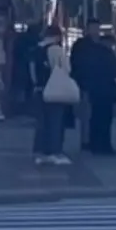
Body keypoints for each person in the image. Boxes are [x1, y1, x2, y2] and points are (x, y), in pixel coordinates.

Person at [70, 18, 116, 155]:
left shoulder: (101, 46)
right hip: (91, 85)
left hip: (104, 86)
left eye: (97, 28)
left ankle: (103, 143)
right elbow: (76, 65)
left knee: (104, 116)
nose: (95, 31)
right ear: (87, 29)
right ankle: (93, 143)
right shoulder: (82, 46)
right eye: (93, 28)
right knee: (92, 116)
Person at [31, 25, 76, 166]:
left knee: (42, 122)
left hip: (39, 89)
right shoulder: (56, 50)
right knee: (55, 121)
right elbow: (66, 69)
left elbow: (32, 72)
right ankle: (54, 151)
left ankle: (40, 151)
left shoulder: (35, 50)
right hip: (55, 89)